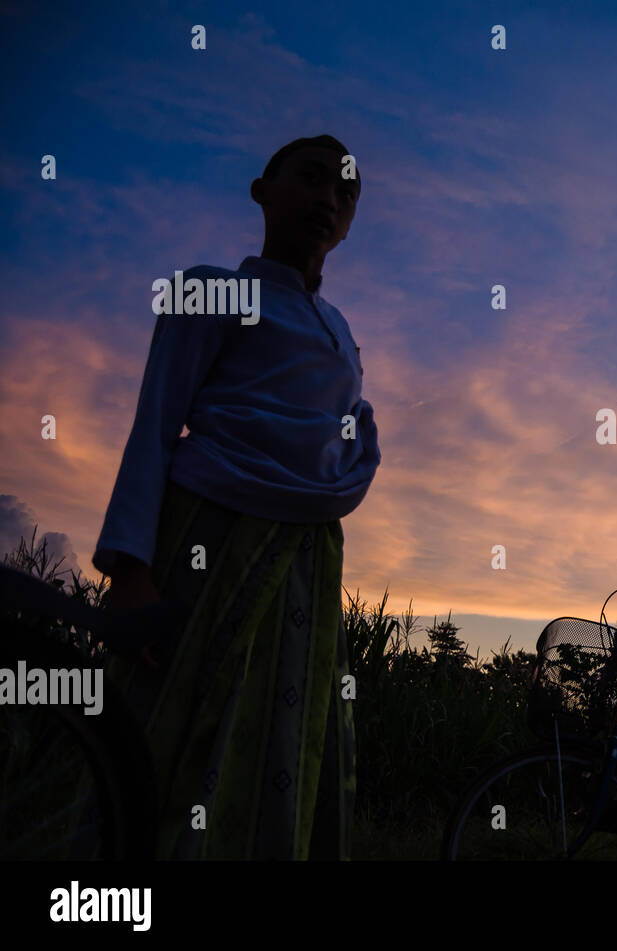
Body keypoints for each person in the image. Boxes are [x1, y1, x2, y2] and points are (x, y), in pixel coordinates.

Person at [92, 135, 380, 859]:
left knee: (281, 741)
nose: (327, 199)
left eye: (344, 192)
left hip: (305, 564)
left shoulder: (341, 331)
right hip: (206, 541)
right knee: (169, 726)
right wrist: (129, 569)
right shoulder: (211, 289)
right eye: (310, 178)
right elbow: (155, 423)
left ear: (350, 222)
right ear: (263, 189)